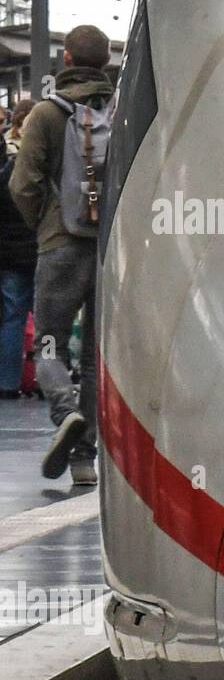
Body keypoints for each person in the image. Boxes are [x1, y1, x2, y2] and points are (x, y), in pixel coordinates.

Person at [9, 27, 115, 486]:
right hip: (110, 248)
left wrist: (45, 223)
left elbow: (23, 184)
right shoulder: (124, 112)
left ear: (66, 58)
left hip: (60, 245)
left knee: (49, 341)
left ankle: (65, 410)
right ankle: (84, 459)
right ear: (104, 62)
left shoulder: (48, 114)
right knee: (93, 357)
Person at [0, 98, 37, 399]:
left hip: (12, 258)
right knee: (49, 322)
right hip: (44, 251)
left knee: (13, 318)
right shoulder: (47, 170)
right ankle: (45, 378)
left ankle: (8, 383)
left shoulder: (6, 173)